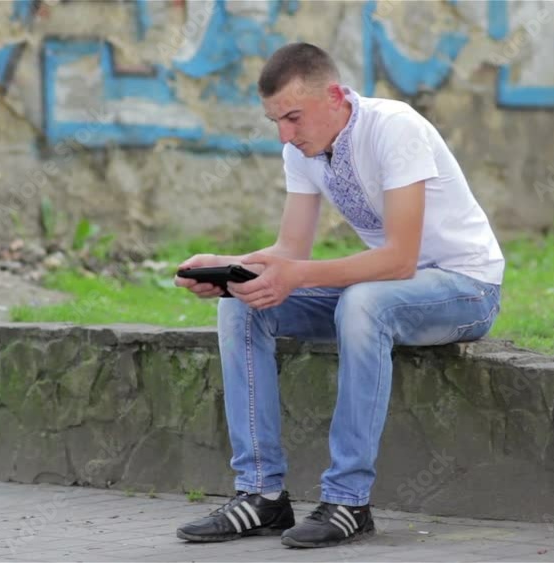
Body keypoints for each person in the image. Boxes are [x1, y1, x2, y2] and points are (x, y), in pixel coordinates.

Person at [173, 42, 504, 549]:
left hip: (465, 289)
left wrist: (295, 275)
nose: (284, 134)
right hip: (390, 289)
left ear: (333, 96)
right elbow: (291, 249)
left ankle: (348, 500)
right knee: (242, 305)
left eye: (293, 117)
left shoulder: (395, 127)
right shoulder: (301, 151)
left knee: (363, 302)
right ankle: (262, 496)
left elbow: (399, 258)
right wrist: (227, 268)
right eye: (275, 122)